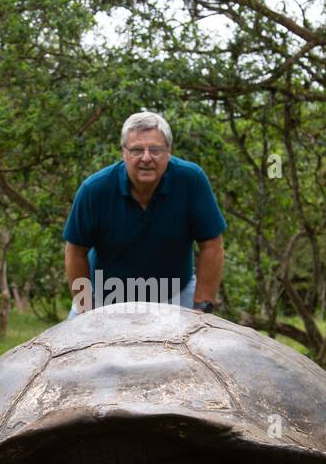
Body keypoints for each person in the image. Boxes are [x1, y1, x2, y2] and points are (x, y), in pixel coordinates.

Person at [62, 111, 226, 318]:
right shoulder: (95, 189)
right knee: (73, 346)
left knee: (206, 346)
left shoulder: (192, 180)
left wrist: (202, 307)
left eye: (155, 150)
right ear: (124, 152)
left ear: (169, 151)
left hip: (177, 292)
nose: (146, 158)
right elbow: (75, 251)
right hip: (106, 296)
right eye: (137, 150)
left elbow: (212, 245)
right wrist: (87, 308)